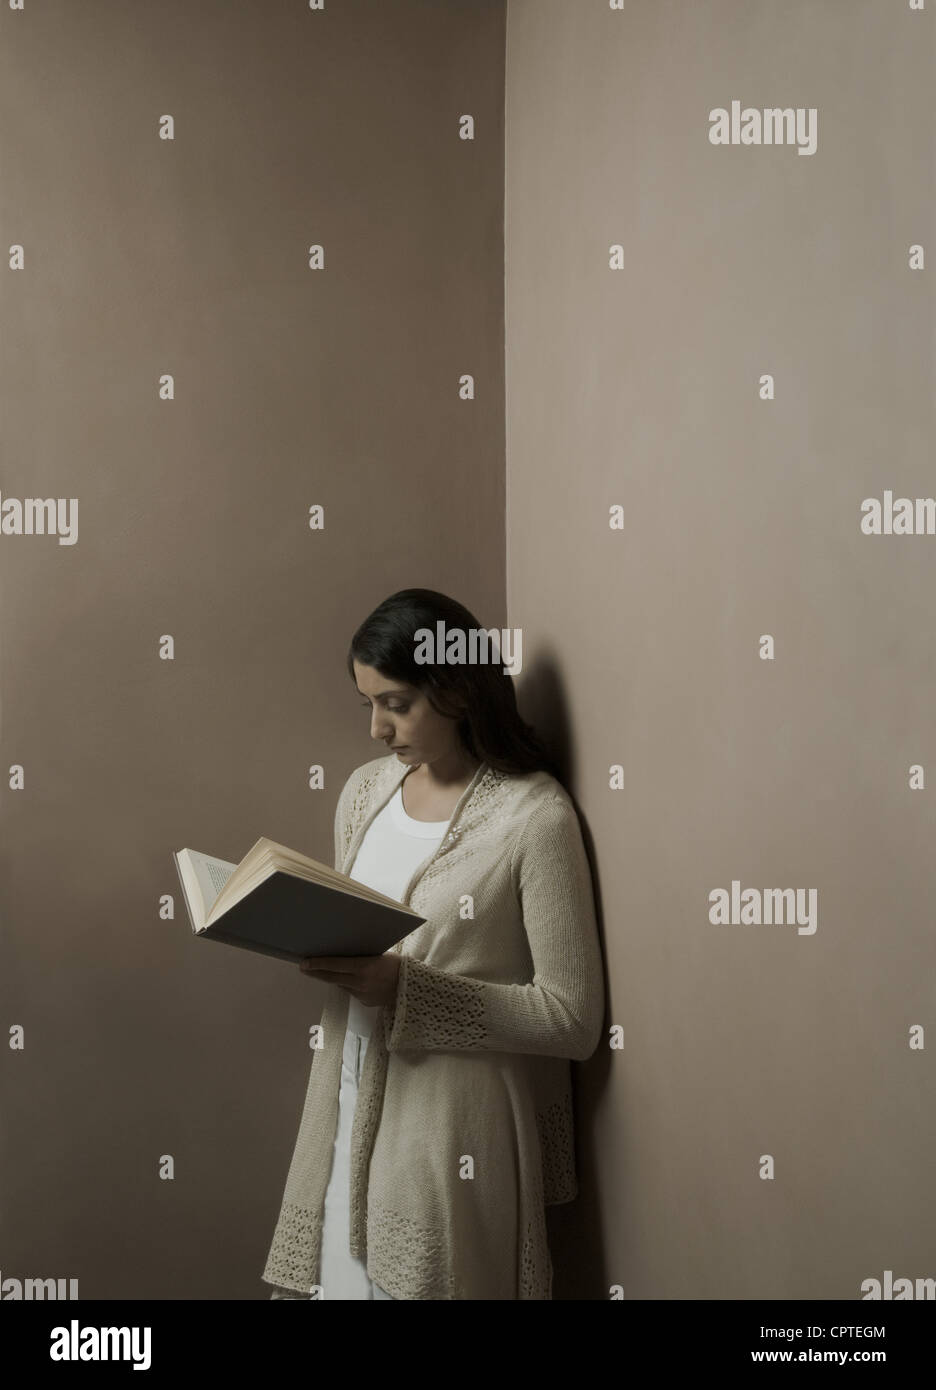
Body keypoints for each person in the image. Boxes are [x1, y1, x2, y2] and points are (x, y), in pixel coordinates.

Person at [264, 588, 605, 1300]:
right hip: (345, 1098)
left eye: (396, 704)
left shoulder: (534, 818)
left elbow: (572, 1018)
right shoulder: (365, 793)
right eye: (369, 705)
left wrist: (409, 991)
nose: (377, 730)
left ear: (457, 690)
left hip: (451, 1139)